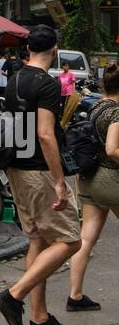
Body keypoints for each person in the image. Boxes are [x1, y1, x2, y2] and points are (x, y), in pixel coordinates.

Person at [0, 25, 82, 325]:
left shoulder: (15, 78)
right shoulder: (47, 83)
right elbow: (45, 134)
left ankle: (40, 318)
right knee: (72, 240)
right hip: (39, 170)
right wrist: (59, 181)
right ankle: (13, 295)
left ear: (28, 49)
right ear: (55, 49)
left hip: (16, 168)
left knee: (39, 240)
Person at [67, 63, 119, 311]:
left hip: (89, 178)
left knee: (86, 239)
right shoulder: (116, 112)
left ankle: (75, 296)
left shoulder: (97, 106)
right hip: (110, 179)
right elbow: (111, 149)